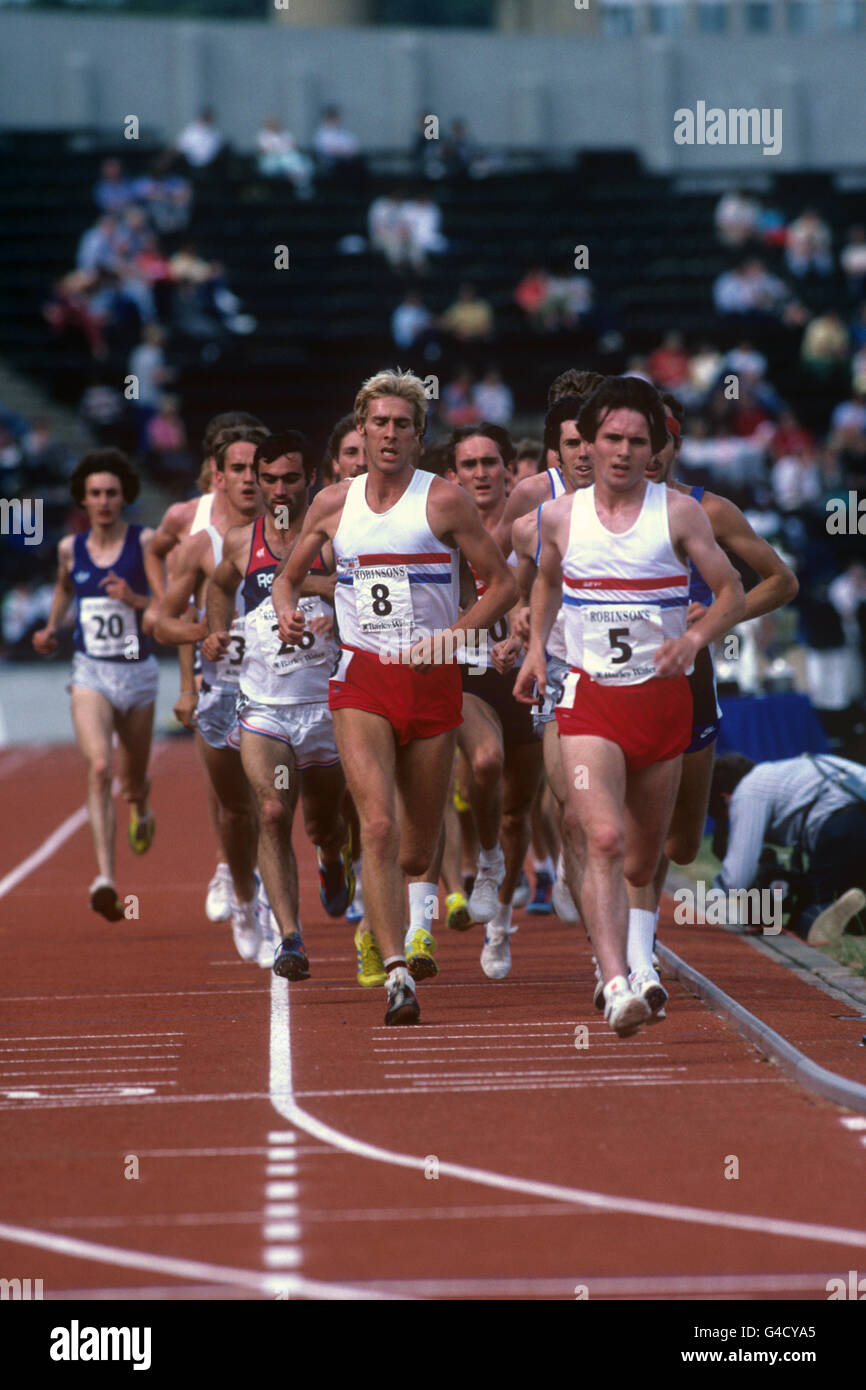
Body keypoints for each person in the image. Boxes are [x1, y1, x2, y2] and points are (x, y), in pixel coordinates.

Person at [271, 368, 518, 1025]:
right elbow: (287, 577)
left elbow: (502, 585)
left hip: (432, 682)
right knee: (375, 824)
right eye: (377, 423)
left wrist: (449, 640)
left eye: (401, 425)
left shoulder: (443, 502)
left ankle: (382, 923)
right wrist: (288, 608)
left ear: (418, 436)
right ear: (361, 429)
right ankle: (398, 973)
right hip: (362, 679)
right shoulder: (331, 503)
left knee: (416, 848)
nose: (388, 434)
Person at [515, 376, 745, 1036]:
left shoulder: (679, 514)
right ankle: (615, 982)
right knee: (604, 837)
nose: (621, 452)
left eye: (636, 441)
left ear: (656, 449)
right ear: (586, 444)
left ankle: (634, 957)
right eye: (610, 438)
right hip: (589, 699)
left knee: (645, 861)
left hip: (662, 701)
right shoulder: (558, 518)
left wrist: (696, 637)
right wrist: (536, 650)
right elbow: (546, 582)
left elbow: (730, 591)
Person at [624, 393, 798, 1015]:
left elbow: (781, 579)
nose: (644, 451)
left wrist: (721, 617)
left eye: (658, 439)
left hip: (690, 682)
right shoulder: (586, 513)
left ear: (672, 447)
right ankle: (629, 959)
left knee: (680, 847)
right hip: (609, 684)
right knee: (611, 828)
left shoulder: (708, 510)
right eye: (632, 437)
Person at [205, 432, 354, 979]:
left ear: (310, 478)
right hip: (266, 708)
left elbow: (366, 594)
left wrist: (326, 602)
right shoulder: (240, 542)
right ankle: (290, 938)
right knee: (271, 810)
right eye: (269, 480)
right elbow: (220, 587)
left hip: (327, 707)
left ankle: (333, 858)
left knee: (323, 823)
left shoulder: (334, 538)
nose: (280, 490)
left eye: (291, 479)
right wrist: (218, 631)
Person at [143, 411, 265, 923]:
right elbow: (163, 591)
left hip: (278, 675)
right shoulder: (189, 521)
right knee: (232, 792)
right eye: (231, 464)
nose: (244, 476)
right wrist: (185, 626)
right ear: (216, 469)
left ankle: (311, 857)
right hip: (216, 675)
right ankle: (232, 869)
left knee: (274, 795)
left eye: (254, 465)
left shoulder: (283, 518)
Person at [32, 450, 157, 921]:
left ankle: (142, 809)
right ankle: (106, 876)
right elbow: (66, 587)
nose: (104, 501)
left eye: (111, 493)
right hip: (91, 672)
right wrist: (50, 627)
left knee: (134, 782)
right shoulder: (70, 548)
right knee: (101, 767)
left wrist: (134, 598)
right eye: (95, 494)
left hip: (139, 673)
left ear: (124, 496)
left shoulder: (145, 543)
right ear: (83, 500)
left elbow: (165, 606)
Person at [446, 422, 543, 977]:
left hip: (522, 675)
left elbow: (540, 597)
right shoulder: (442, 530)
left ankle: (501, 919)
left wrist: (518, 636)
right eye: (469, 465)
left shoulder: (531, 529)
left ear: (509, 469)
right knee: (484, 762)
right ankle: (482, 862)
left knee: (518, 811)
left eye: (490, 463)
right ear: (454, 475)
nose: (481, 473)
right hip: (464, 674)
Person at [709, 752, 866, 945]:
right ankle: (854, 906)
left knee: (806, 919)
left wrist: (707, 899)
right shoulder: (781, 774)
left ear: (726, 799)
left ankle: (824, 909)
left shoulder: (747, 791)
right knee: (848, 898)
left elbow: (737, 879)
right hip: (852, 815)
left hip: (846, 825)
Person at [320, 414, 367, 486]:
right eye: (351, 453)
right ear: (335, 462)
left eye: (369, 453)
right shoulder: (320, 497)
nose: (362, 462)